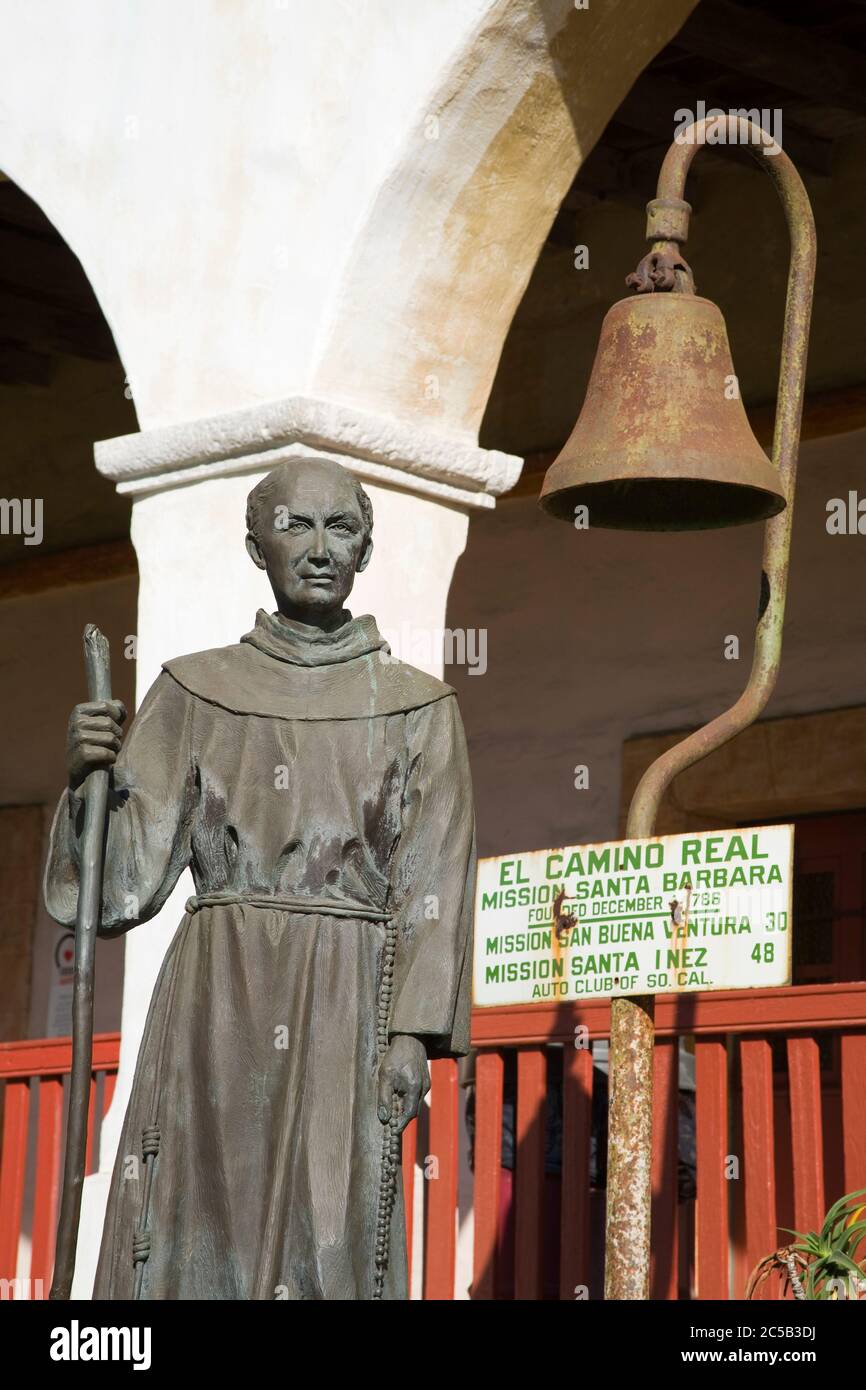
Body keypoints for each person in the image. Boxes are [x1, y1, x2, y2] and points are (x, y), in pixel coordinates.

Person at [45, 457, 476, 1300]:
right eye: (295, 526)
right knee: (196, 1216)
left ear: (367, 547)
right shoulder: (193, 691)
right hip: (218, 999)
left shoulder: (418, 707)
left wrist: (412, 1036)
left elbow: (436, 884)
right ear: (255, 545)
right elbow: (119, 886)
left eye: (340, 528)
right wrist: (84, 784)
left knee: (333, 1227)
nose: (319, 549)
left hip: (352, 999)